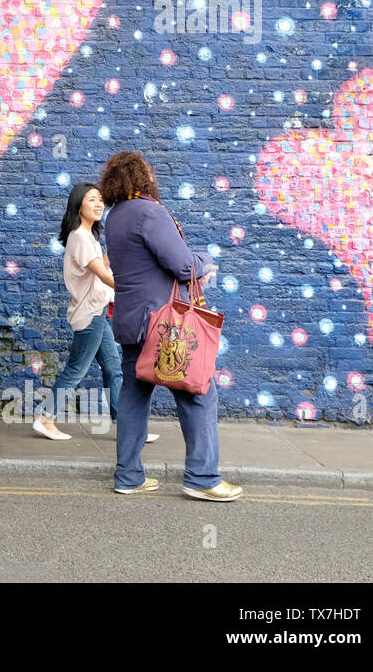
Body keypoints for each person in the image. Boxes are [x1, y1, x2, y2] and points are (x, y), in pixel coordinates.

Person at [100, 151, 241, 501]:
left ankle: (128, 476)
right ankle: (203, 478)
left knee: (133, 396)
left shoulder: (115, 216)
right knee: (198, 393)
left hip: (130, 322)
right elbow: (182, 266)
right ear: (142, 177)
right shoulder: (150, 212)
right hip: (163, 325)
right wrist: (206, 261)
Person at [34, 182, 139, 442]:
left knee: (114, 369)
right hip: (90, 314)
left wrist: (116, 247)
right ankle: (45, 418)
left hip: (98, 311)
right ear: (79, 205)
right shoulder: (79, 236)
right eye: (92, 199)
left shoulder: (87, 237)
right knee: (76, 369)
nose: (99, 204)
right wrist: (137, 288)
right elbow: (103, 275)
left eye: (101, 200)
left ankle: (125, 425)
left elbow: (99, 266)